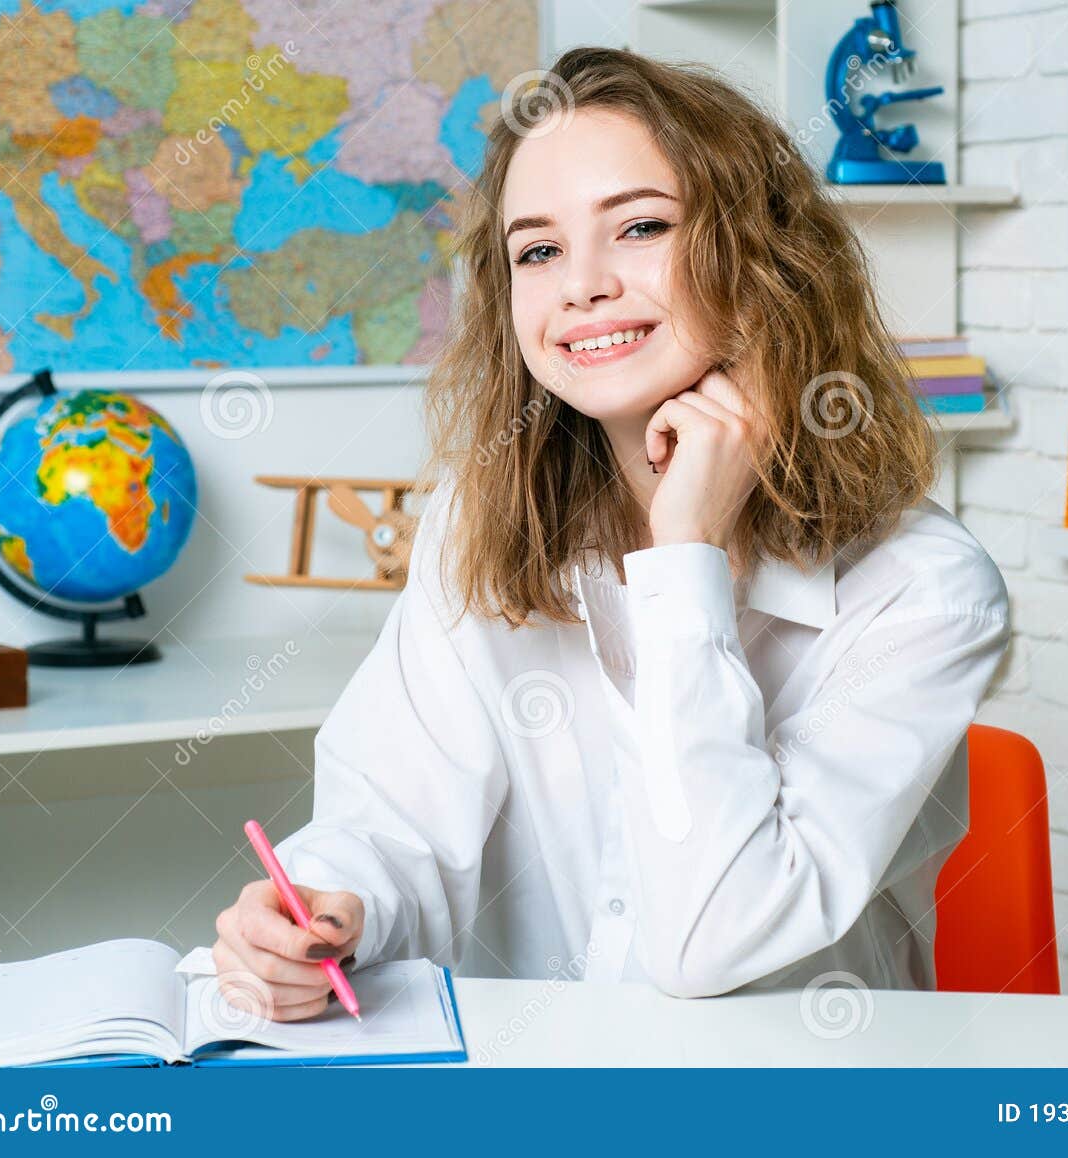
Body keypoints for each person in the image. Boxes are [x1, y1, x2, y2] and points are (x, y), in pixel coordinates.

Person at [211, 45, 1010, 1020]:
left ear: (764, 259)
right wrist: (334, 905)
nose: (581, 287)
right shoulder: (481, 521)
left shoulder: (925, 586)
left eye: (638, 227)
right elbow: (395, 818)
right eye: (538, 250)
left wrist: (684, 564)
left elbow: (711, 940)